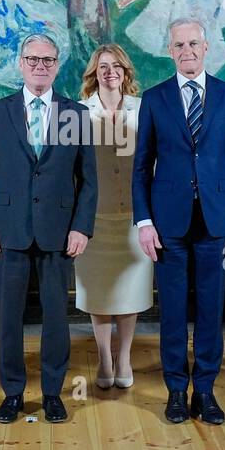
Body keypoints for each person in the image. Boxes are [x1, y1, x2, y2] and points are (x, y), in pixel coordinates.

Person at [132, 19, 225, 425]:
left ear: (206, 47)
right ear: (170, 50)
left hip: (217, 222)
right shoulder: (154, 98)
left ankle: (205, 390)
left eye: (194, 44)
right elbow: (141, 166)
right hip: (168, 225)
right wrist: (144, 221)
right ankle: (176, 392)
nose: (187, 50)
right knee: (172, 312)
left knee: (210, 309)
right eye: (179, 45)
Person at [0, 33, 98, 424]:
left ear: (58, 65)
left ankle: (52, 393)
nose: (40, 66)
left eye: (48, 60)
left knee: (56, 317)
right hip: (8, 231)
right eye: (33, 59)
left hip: (59, 234)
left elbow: (88, 180)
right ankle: (12, 393)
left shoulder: (75, 114)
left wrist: (81, 228)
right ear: (20, 64)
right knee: (8, 317)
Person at [74, 44, 152, 390]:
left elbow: (155, 158)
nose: (110, 72)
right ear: (94, 73)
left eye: (116, 66)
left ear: (125, 71)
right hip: (94, 218)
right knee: (99, 294)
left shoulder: (142, 109)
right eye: (103, 66)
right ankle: (105, 357)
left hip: (136, 217)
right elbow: (72, 169)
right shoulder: (79, 112)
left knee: (130, 293)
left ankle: (124, 357)